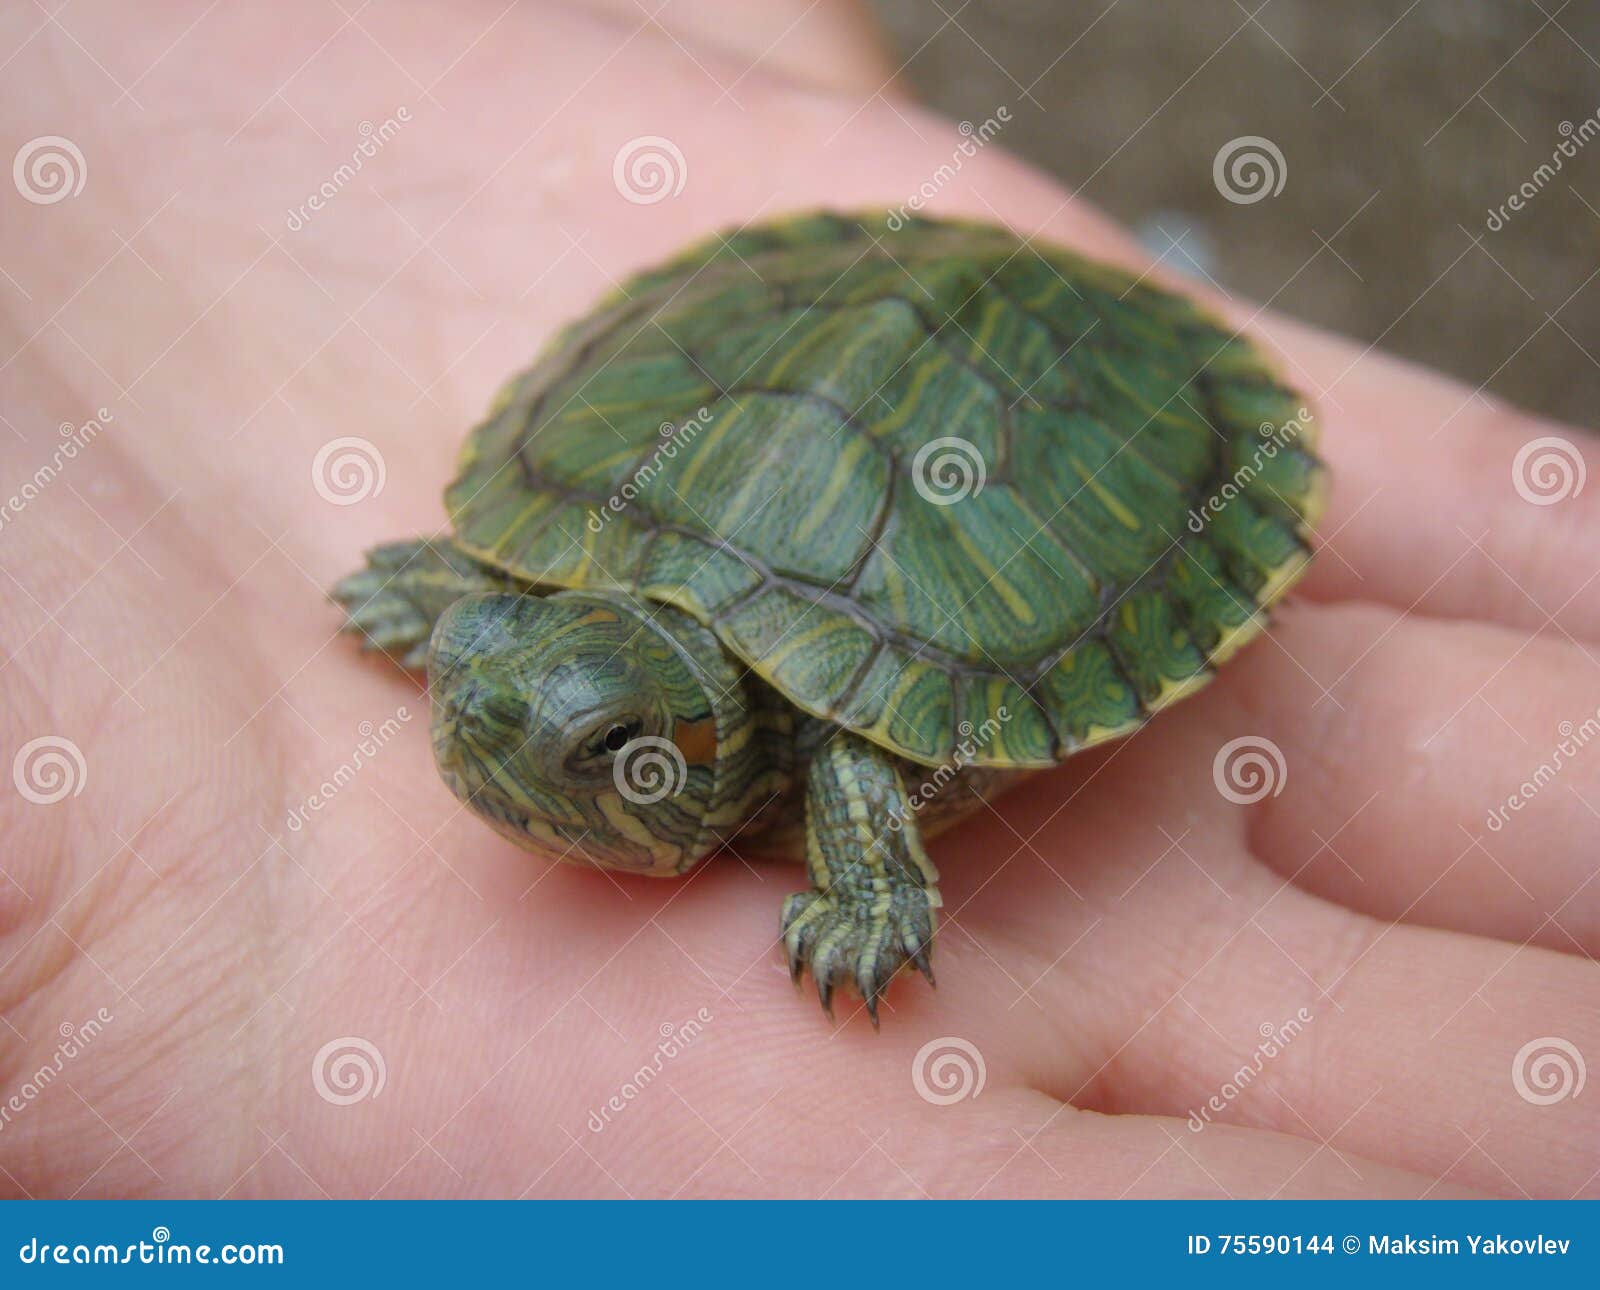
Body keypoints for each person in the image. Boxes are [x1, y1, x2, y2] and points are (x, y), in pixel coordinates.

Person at [1, 0, 1593, 1199]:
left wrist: (871, 889)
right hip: (803, 343)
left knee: (850, 735)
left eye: (595, 748)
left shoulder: (825, 755)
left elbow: (851, 738)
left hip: (1082, 388)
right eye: (497, 668)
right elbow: (506, 610)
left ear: (676, 755)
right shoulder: (544, 592)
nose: (478, 731)